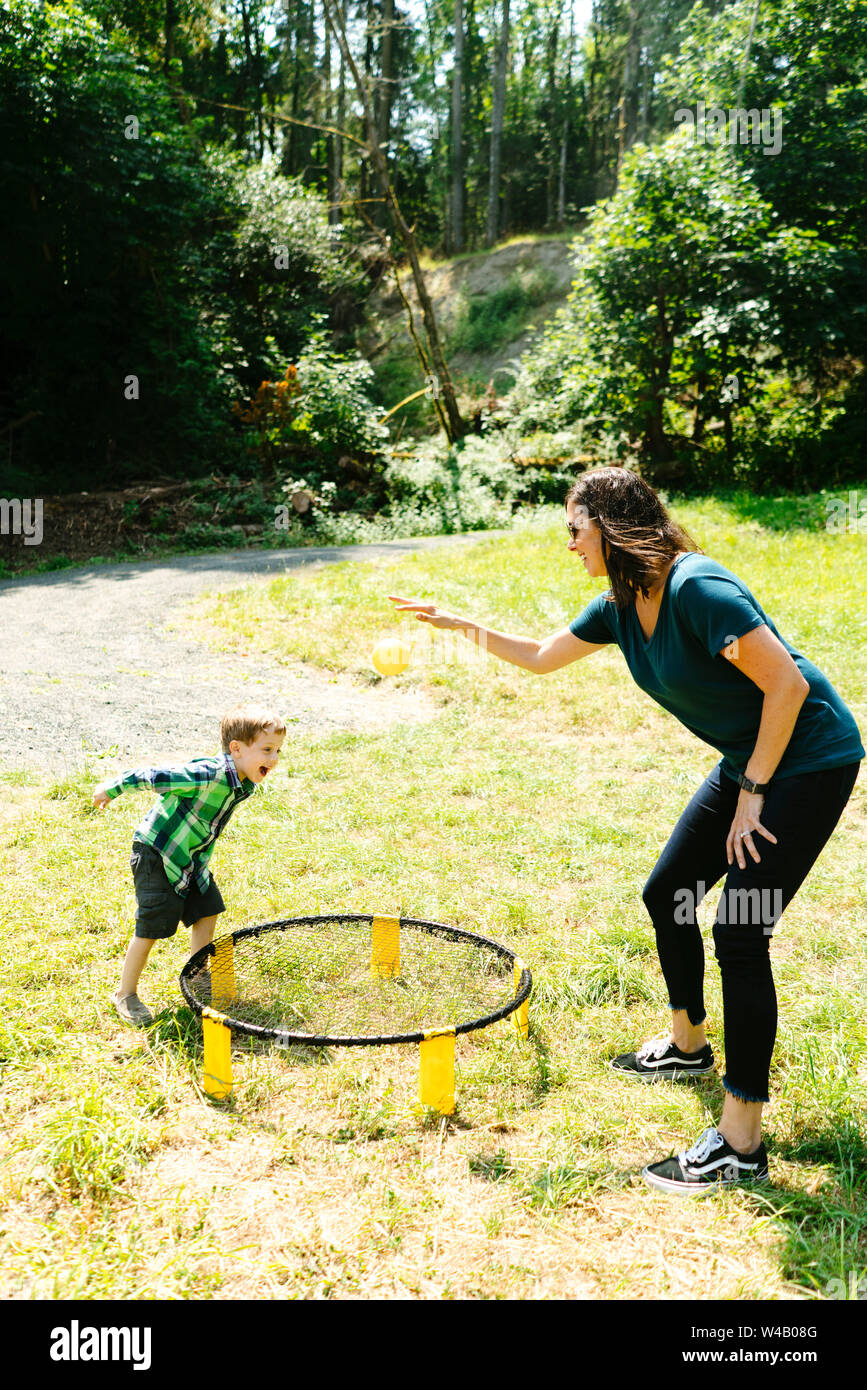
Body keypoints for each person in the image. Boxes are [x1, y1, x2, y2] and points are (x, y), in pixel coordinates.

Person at [389, 467, 863, 1195]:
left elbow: (787, 686)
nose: (568, 544)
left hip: (806, 761)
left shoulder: (696, 590)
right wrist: (461, 624)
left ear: (608, 527)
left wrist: (753, 792)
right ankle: (686, 1043)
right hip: (752, 763)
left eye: (573, 529)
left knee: (740, 928)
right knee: (669, 888)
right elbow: (543, 658)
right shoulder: (618, 604)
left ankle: (740, 1142)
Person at [93, 704, 286, 1026]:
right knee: (152, 926)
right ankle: (125, 993)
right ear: (236, 749)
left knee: (207, 909)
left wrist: (200, 863)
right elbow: (154, 776)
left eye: (278, 751)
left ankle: (198, 973)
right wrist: (112, 788)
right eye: (267, 749)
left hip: (191, 860)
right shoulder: (208, 774)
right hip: (157, 854)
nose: (274, 758)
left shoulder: (242, 781)